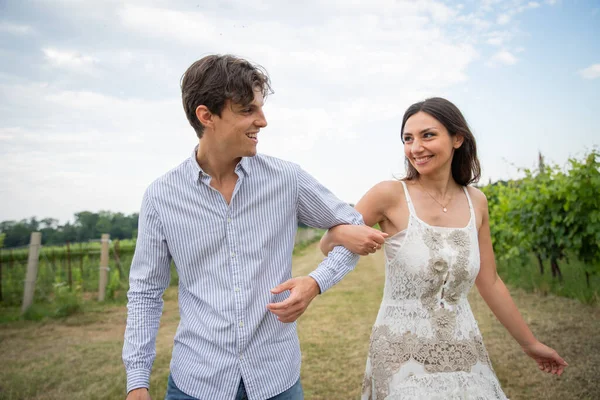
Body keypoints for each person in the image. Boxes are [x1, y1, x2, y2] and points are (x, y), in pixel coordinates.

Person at [122, 54, 387, 400]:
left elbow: (354, 227)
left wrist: (315, 283)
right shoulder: (161, 197)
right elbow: (145, 292)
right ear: (207, 116)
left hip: (276, 378)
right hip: (196, 382)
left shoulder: (287, 180)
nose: (262, 121)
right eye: (247, 110)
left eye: (260, 108)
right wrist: (138, 381)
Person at [319, 97, 568, 399]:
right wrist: (344, 236)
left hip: (464, 348)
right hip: (402, 353)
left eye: (428, 135)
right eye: (408, 139)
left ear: (457, 139)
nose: (415, 148)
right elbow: (327, 243)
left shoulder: (477, 201)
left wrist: (530, 344)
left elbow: (489, 282)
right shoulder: (388, 194)